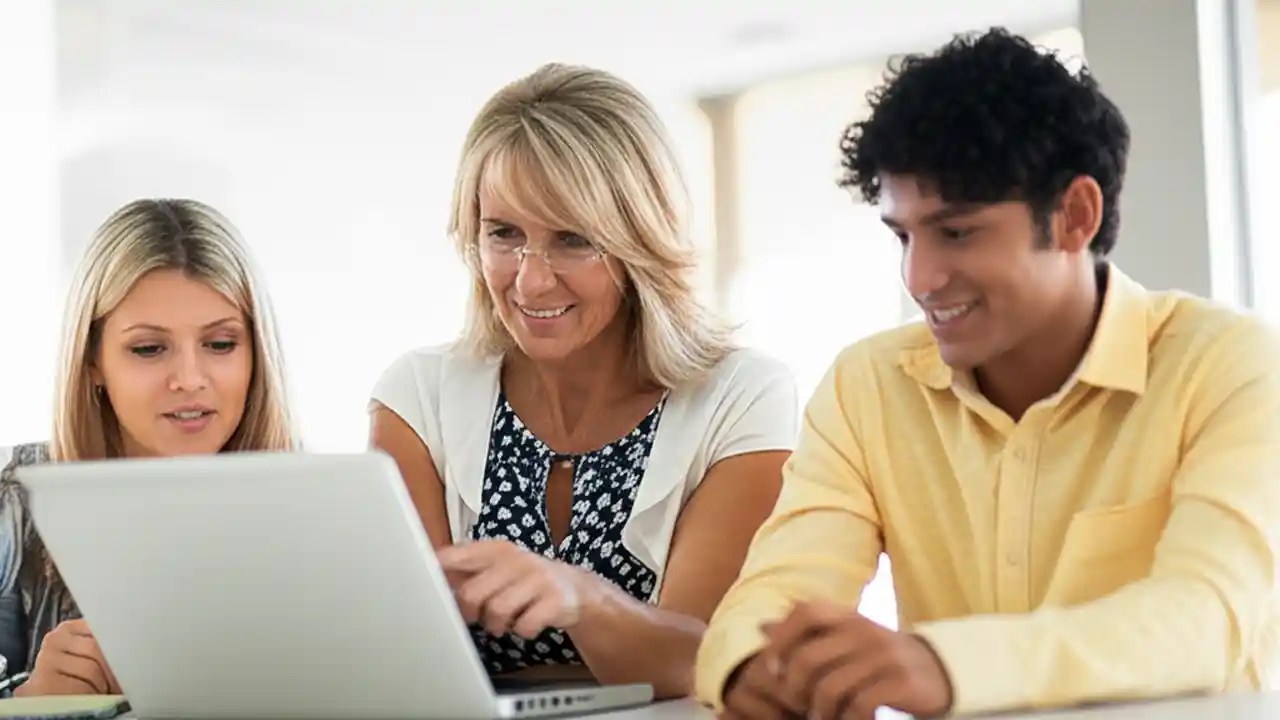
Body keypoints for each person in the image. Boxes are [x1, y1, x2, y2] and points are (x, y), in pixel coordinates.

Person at [697, 27, 1280, 720]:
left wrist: (942, 665)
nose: (919, 277)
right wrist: (751, 668)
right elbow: (767, 601)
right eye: (903, 235)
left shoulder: (1229, 365)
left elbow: (1206, 620)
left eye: (957, 232)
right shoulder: (867, 387)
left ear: (1075, 216)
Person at [369, 63, 798, 699]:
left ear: (639, 239)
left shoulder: (740, 397)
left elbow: (707, 658)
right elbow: (406, 651)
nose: (530, 280)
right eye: (504, 234)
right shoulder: (418, 396)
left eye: (573, 240)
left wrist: (582, 600)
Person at [0, 198, 296, 696]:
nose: (189, 379)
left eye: (220, 344)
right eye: (149, 348)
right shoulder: (16, 501)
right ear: (92, 360)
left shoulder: (316, 506)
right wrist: (29, 700)